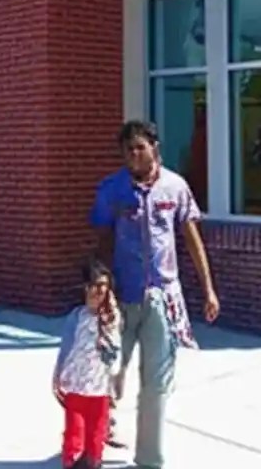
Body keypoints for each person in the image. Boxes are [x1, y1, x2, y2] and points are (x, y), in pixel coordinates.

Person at [91, 120, 220, 469]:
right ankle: (98, 435)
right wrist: (99, 290)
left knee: (156, 382)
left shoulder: (175, 187)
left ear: (154, 147)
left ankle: (149, 458)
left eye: (140, 147)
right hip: (121, 296)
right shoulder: (111, 190)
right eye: (128, 149)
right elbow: (102, 242)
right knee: (107, 370)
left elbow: (192, 240)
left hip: (162, 297)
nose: (134, 155)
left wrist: (208, 289)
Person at [52, 261, 122, 469]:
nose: (98, 292)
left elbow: (114, 352)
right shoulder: (76, 317)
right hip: (76, 388)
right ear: (85, 288)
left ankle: (93, 463)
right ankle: (70, 463)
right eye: (95, 286)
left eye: (104, 287)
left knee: (96, 437)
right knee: (75, 433)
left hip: (99, 391)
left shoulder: (110, 319)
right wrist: (58, 375)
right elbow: (66, 348)